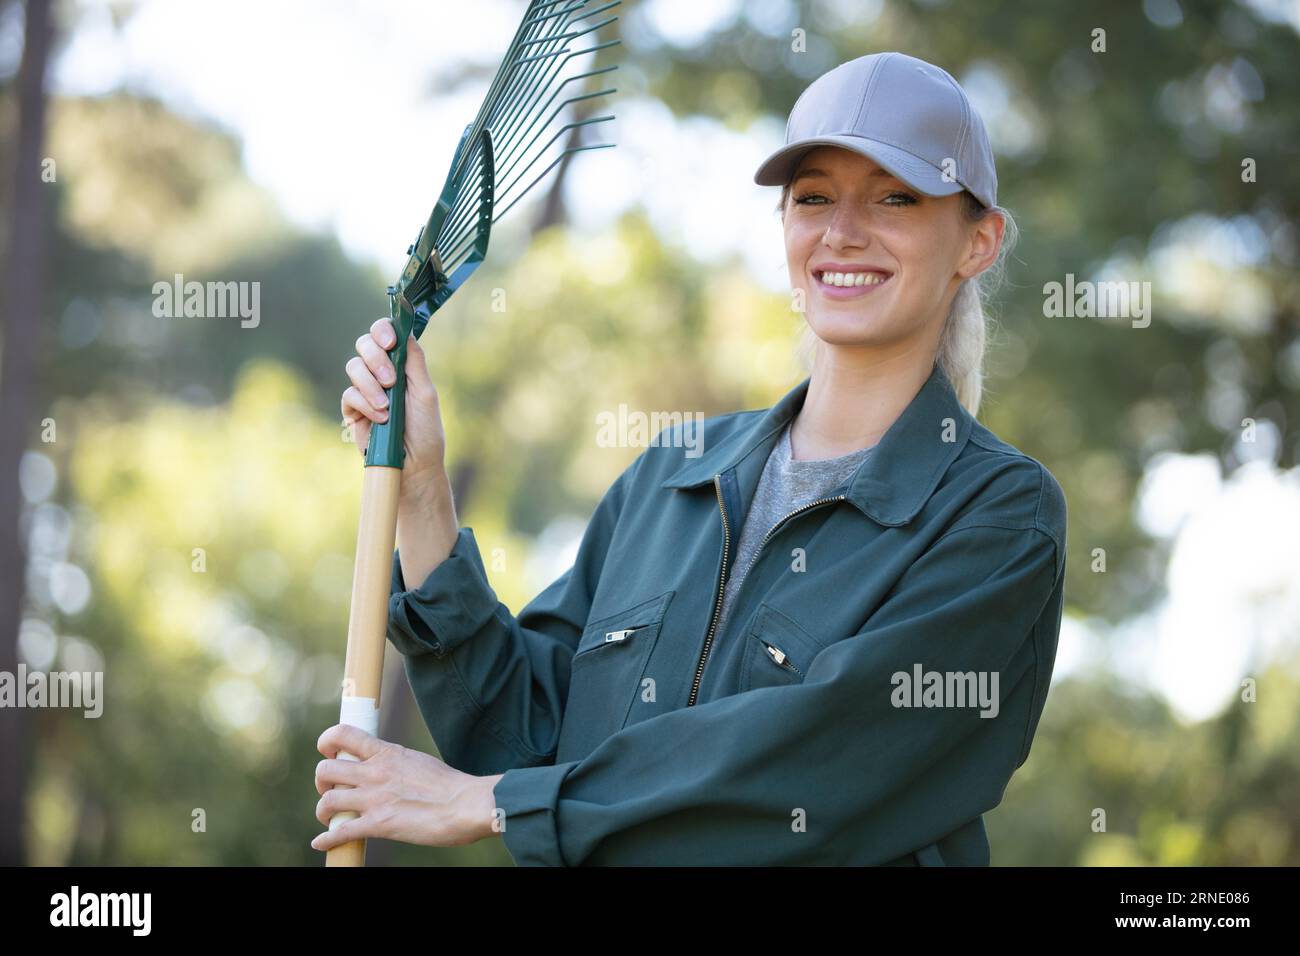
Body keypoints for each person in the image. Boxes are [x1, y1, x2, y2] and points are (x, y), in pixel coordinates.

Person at [314, 51, 1068, 865]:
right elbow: (526, 739)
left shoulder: (999, 516)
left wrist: (494, 805)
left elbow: (809, 768)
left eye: (896, 198)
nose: (843, 232)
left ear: (977, 243)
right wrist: (424, 493)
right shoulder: (671, 474)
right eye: (813, 197)